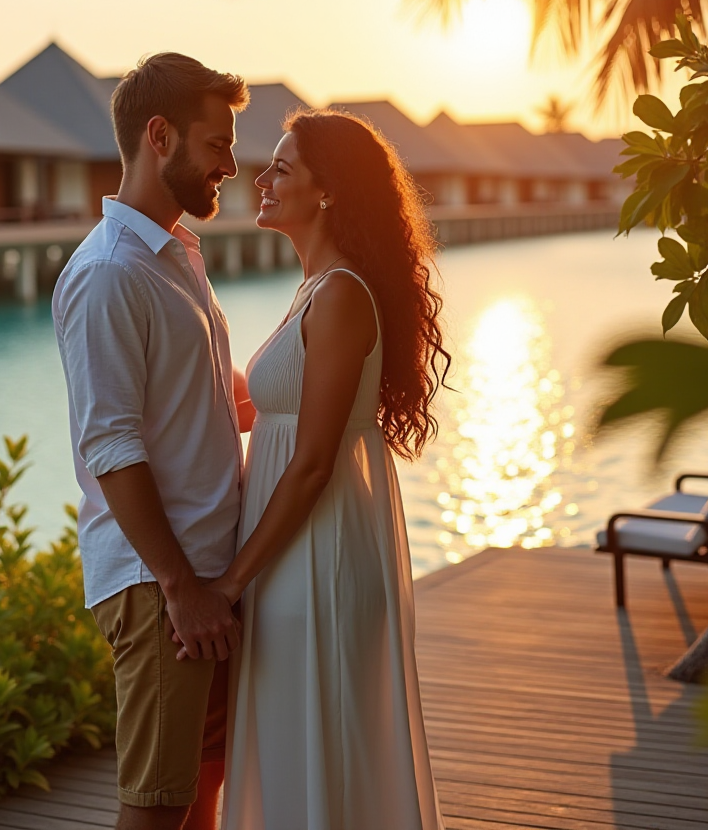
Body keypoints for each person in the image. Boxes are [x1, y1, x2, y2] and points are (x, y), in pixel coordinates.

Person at [207, 109, 451, 830]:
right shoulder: (316, 289)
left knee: (318, 748)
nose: (264, 177)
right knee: (296, 748)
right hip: (293, 553)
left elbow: (312, 463)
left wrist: (230, 580)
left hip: (316, 556)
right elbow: (270, 417)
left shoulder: (341, 294)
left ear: (329, 191)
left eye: (283, 167)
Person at [52, 52, 255, 830]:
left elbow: (197, 404)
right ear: (160, 136)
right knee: (156, 811)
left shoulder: (176, 257)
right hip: (159, 586)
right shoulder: (109, 274)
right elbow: (111, 449)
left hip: (205, 577)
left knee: (199, 791)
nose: (231, 166)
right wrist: (181, 587)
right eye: (218, 144)